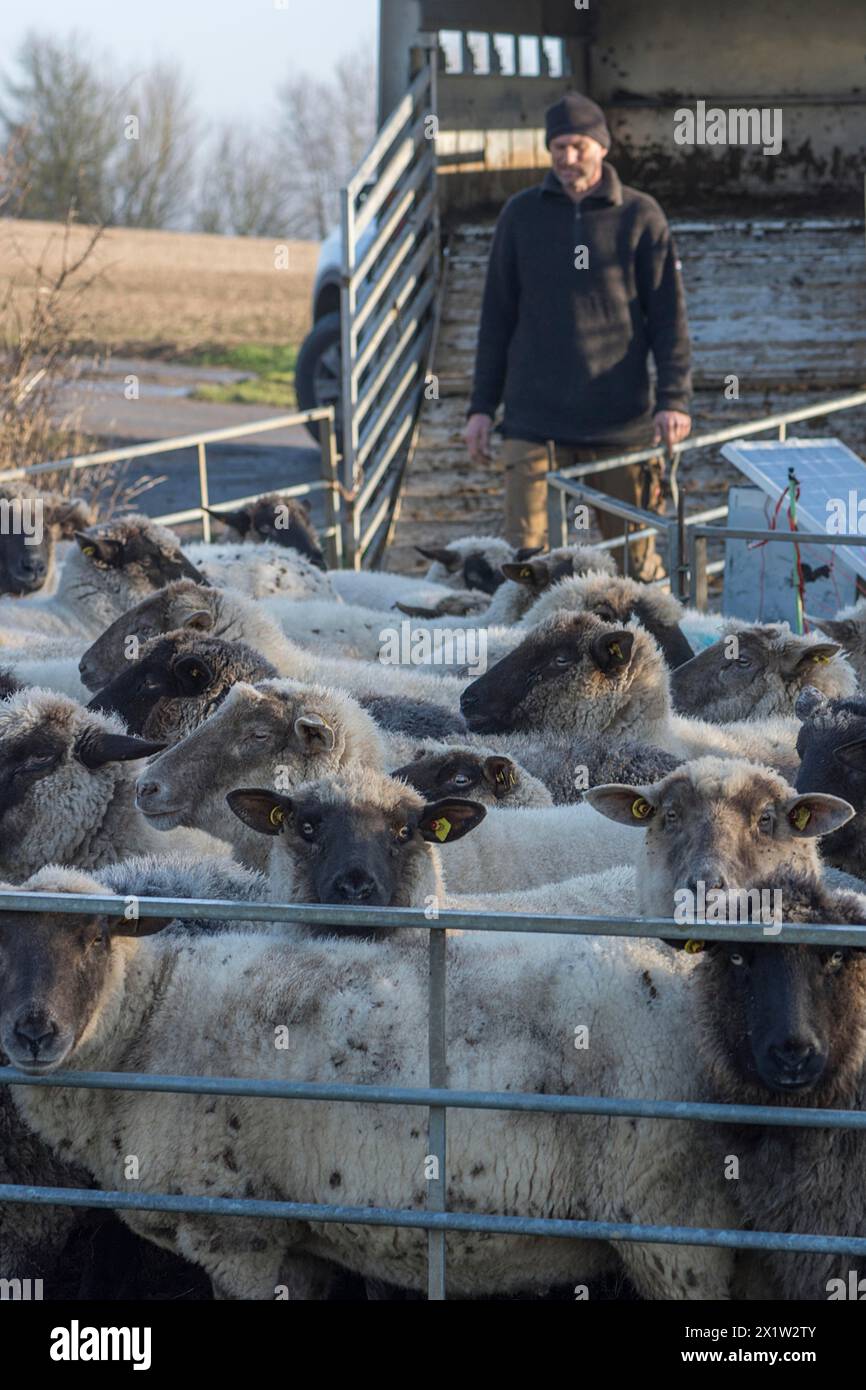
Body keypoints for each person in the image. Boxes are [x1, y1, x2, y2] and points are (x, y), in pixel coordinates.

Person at [464, 91, 692, 580]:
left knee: (635, 566)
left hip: (619, 422)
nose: (568, 158)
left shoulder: (641, 216)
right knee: (525, 567)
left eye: (578, 146)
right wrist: (481, 407)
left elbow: (669, 317)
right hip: (533, 422)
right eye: (558, 148)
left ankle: (648, 655)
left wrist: (674, 399)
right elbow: (496, 318)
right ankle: (533, 656)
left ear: (602, 146)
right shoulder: (520, 216)